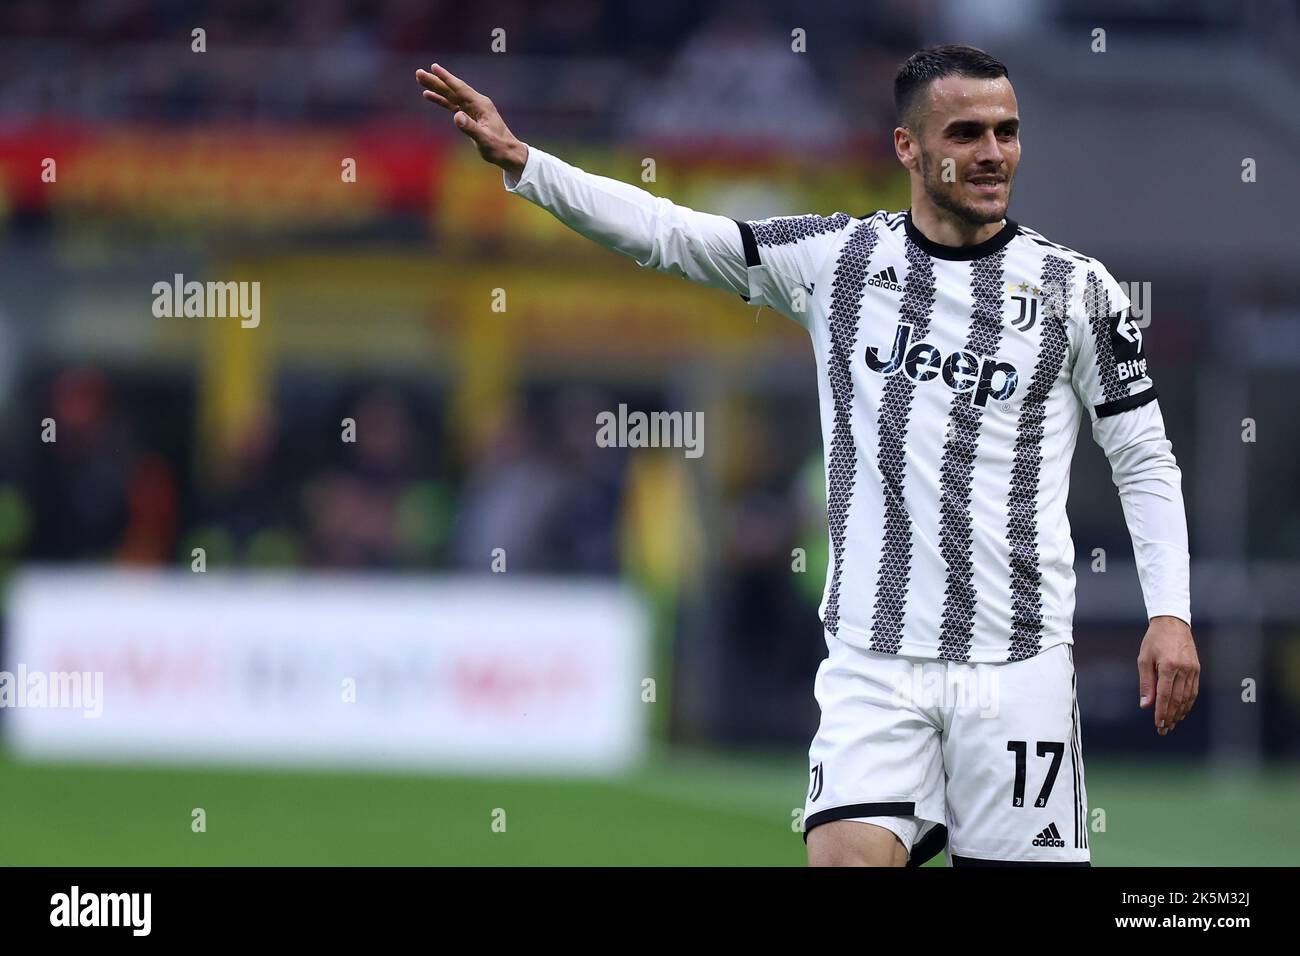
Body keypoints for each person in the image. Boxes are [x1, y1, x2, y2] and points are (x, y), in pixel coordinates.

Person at [415, 43, 1199, 867]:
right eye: (966, 133)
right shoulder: (839, 260)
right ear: (909, 147)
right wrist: (527, 164)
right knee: (843, 858)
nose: (992, 154)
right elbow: (671, 234)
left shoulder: (1078, 291)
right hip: (874, 660)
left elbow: (1143, 457)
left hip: (1017, 666)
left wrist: (1170, 611)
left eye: (1006, 132)